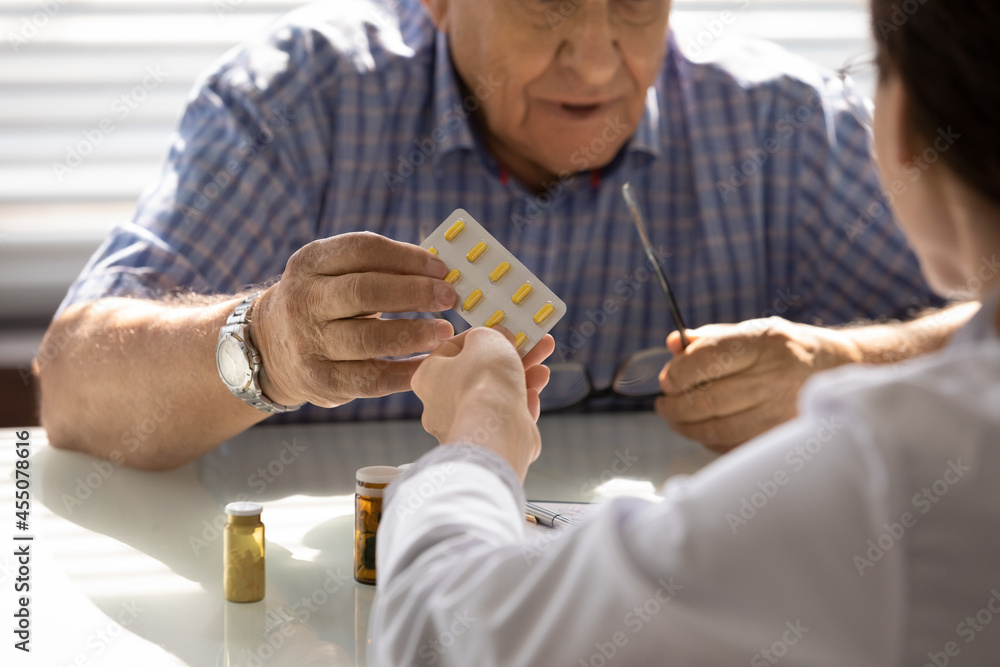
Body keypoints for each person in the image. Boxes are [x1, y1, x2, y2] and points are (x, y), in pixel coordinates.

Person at [36, 0, 973, 469]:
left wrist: (847, 362)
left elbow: (993, 325)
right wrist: (267, 345)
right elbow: (73, 389)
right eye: (548, 2)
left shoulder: (778, 127)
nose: (600, 58)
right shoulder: (300, 105)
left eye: (637, 4)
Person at [369, 0, 1000, 664]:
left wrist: (480, 433)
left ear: (901, 132)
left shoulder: (884, 474)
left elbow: (442, 636)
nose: (593, 60)